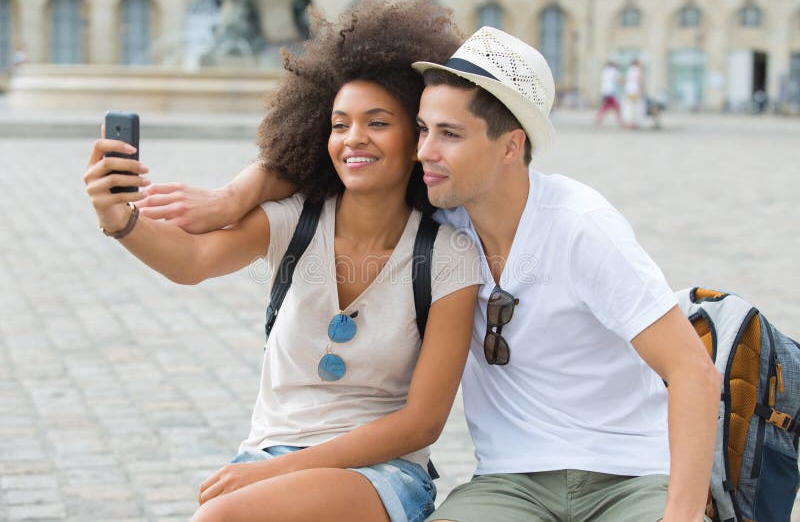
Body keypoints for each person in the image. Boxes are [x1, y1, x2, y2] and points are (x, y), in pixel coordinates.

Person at [138, 26, 721, 522]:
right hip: (511, 483)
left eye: (449, 134)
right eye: (422, 129)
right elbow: (337, 161)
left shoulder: (582, 228)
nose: (423, 152)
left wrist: (681, 514)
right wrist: (228, 197)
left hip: (630, 474)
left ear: (510, 146)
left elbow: (692, 372)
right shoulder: (444, 215)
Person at [83, 0, 481, 522]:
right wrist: (120, 218)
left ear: (417, 140)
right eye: (340, 124)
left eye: (377, 122)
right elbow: (194, 260)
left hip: (379, 472)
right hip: (267, 456)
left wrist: (272, 474)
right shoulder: (298, 221)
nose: (354, 138)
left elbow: (421, 425)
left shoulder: (447, 255)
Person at [594, 60, 623, 127]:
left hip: (605, 91)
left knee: (606, 106)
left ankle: (598, 118)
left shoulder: (605, 71)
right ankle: (620, 121)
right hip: (611, 92)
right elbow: (618, 80)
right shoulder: (614, 71)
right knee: (615, 107)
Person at [622, 58, 645, 128]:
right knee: (635, 107)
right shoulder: (637, 70)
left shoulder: (629, 70)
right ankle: (633, 123)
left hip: (629, 91)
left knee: (629, 107)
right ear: (637, 63)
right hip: (635, 91)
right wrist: (642, 90)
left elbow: (625, 80)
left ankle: (629, 122)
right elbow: (640, 80)